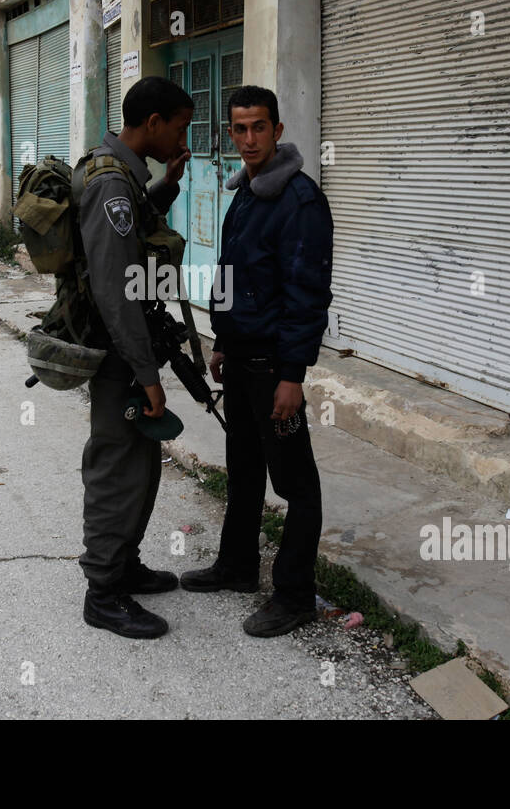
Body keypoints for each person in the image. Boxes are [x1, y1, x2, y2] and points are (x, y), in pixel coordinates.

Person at [180, 85, 334, 637]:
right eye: (240, 129)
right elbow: (233, 275)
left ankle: (294, 595)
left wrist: (292, 374)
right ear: (230, 133)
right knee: (244, 470)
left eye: (259, 127)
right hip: (241, 357)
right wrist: (222, 340)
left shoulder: (300, 201)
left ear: (278, 130)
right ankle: (238, 566)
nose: (249, 139)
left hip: (274, 367)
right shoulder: (246, 191)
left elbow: (307, 295)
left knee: (298, 485)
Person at [75, 76, 193, 639]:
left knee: (140, 464)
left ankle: (124, 565)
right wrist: (147, 376)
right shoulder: (111, 185)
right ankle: (103, 591)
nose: (180, 137)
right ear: (152, 124)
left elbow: (132, 238)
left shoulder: (125, 177)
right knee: (117, 470)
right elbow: (117, 287)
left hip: (129, 349)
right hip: (119, 355)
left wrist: (167, 188)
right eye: (179, 126)